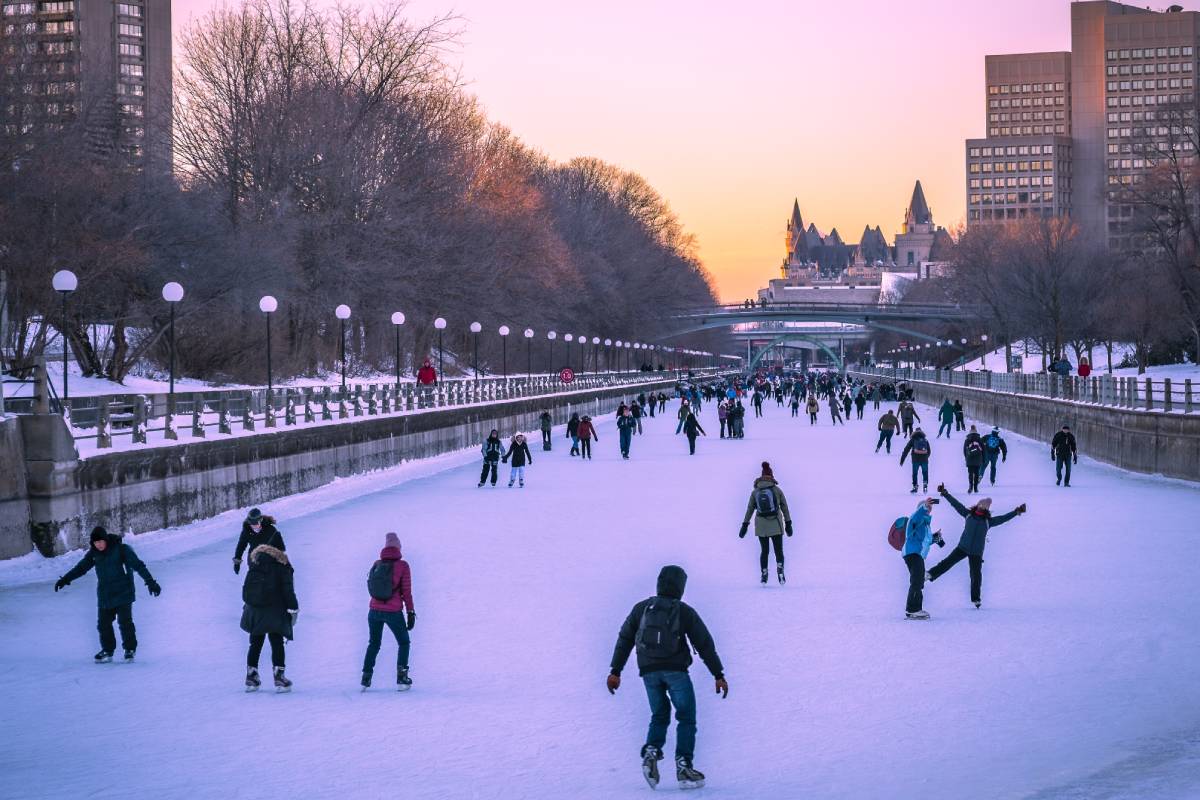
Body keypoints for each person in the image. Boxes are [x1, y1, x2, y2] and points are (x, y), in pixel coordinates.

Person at [607, 566, 727, 791]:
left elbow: (625, 639)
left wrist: (616, 671)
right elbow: (704, 644)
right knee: (686, 717)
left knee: (659, 715)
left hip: (648, 671)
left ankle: (652, 751)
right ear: (681, 587)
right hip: (676, 671)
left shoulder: (641, 609)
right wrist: (718, 674)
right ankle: (684, 766)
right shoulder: (683, 611)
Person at [54, 526, 161, 663]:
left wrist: (150, 582)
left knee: (124, 622)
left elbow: (138, 565)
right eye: (95, 542)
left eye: (100, 541)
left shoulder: (121, 549)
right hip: (105, 594)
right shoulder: (94, 554)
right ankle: (108, 650)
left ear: (105, 540)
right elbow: (81, 568)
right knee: (103, 624)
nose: (98, 544)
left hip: (124, 592)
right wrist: (65, 579)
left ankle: (129, 649)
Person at [927, 485, 1026, 608]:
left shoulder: (988, 522)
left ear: (986, 509)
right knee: (948, 562)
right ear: (977, 505)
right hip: (962, 547)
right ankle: (930, 574)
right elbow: (956, 504)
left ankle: (976, 599)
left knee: (976, 575)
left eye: (983, 507)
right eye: (979, 505)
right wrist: (945, 493)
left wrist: (1016, 512)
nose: (980, 507)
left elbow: (1003, 518)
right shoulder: (968, 514)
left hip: (976, 552)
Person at [239, 541, 298, 691]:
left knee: (255, 643)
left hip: (255, 610)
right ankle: (279, 677)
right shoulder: (282, 566)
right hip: (275, 610)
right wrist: (294, 608)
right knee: (276, 642)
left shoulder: (255, 564)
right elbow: (288, 590)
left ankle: (251, 676)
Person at [362, 532, 415, 691]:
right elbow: (406, 592)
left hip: (374, 610)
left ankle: (366, 677)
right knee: (404, 642)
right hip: (393, 611)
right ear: (398, 548)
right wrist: (410, 612)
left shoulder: (377, 564)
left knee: (374, 644)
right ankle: (402, 678)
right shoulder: (403, 566)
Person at [738, 461, 793, 585]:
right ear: (771, 476)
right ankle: (780, 569)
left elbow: (750, 509)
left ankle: (764, 572)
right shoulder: (777, 490)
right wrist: (788, 523)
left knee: (764, 551)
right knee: (778, 550)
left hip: (761, 526)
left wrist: (744, 525)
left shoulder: (755, 491)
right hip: (776, 524)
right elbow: (785, 507)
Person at [901, 498, 944, 620]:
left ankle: (915, 609)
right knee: (917, 580)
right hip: (912, 553)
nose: (929, 509)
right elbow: (916, 517)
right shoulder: (915, 519)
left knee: (919, 580)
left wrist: (935, 538)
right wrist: (923, 506)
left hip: (918, 554)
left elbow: (925, 541)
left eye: (930, 508)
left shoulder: (925, 525)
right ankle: (912, 610)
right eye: (927, 507)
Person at [233, 508, 285, 574]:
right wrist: (237, 562)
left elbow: (280, 545)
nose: (254, 526)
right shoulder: (247, 531)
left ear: (260, 521)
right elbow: (241, 546)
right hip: (253, 557)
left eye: (256, 524)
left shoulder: (270, 529)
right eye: (252, 524)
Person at [900, 427, 932, 494]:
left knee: (915, 474)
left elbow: (906, 450)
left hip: (915, 459)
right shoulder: (925, 440)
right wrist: (926, 457)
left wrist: (902, 459)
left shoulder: (913, 439)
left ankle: (915, 487)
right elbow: (929, 451)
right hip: (924, 459)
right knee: (925, 472)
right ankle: (925, 484)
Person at [962, 426, 985, 494]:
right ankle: (975, 488)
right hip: (978, 459)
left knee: (970, 474)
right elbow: (983, 450)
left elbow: (964, 450)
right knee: (977, 473)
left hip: (970, 460)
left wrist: (966, 458)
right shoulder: (979, 439)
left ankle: (970, 487)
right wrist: (983, 459)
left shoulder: (967, 440)